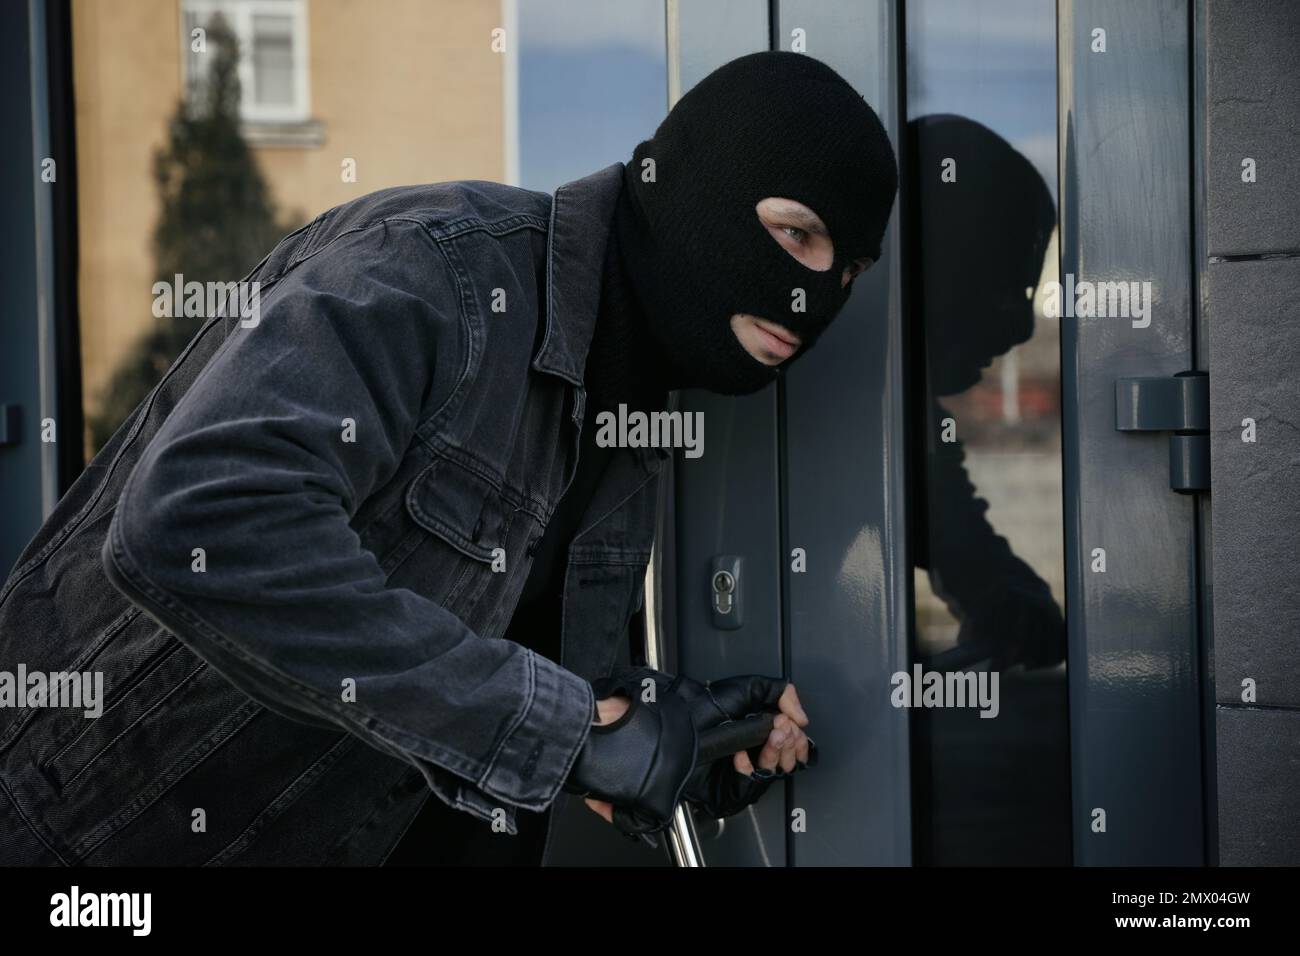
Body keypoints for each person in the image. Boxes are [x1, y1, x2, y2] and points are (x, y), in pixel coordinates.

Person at [0, 51, 897, 866]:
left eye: (849, 271)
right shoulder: (436, 272)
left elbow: (505, 671)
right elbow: (201, 523)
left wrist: (676, 737)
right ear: (696, 186)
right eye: (795, 237)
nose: (813, 296)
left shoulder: (634, 411)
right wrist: (576, 737)